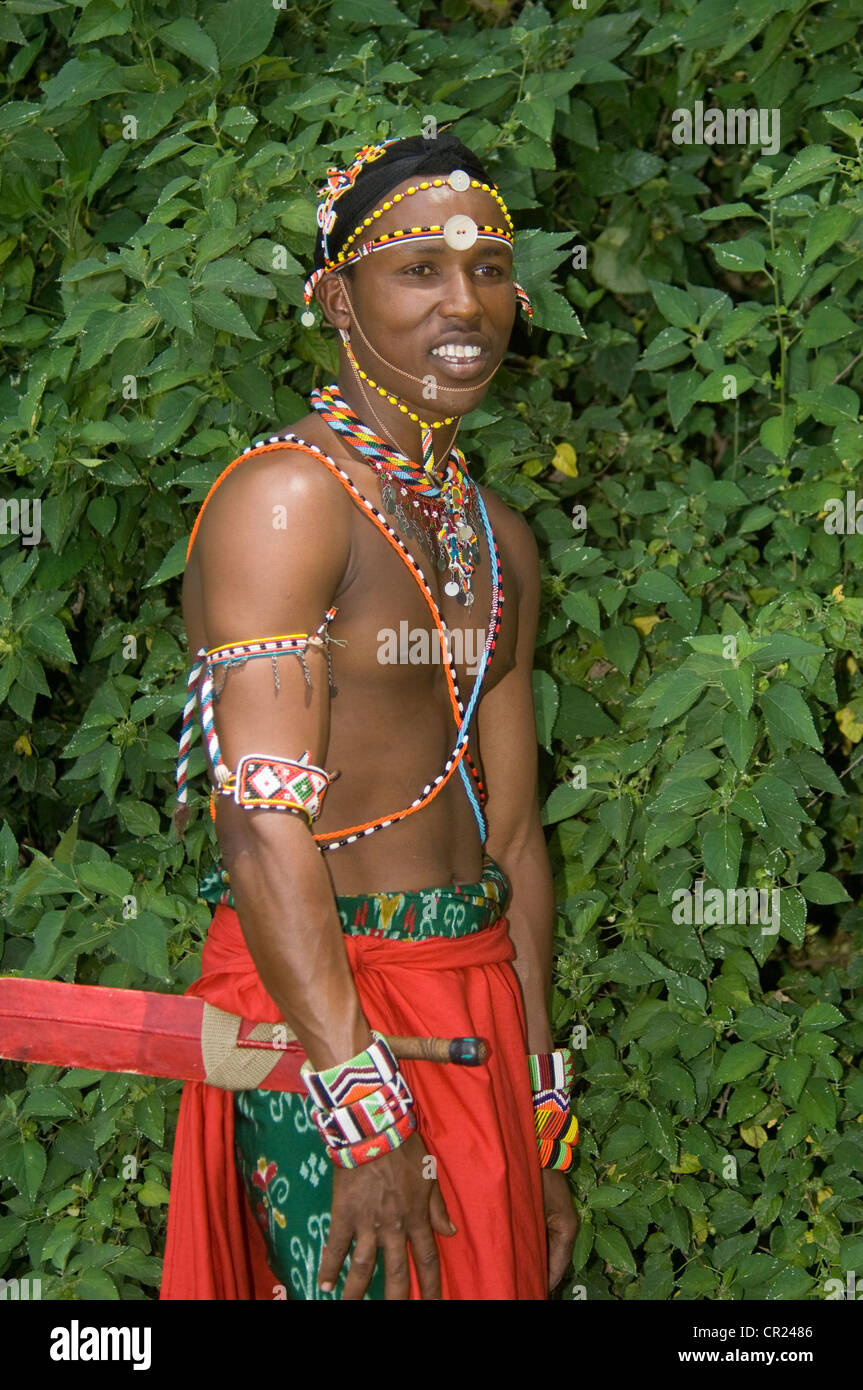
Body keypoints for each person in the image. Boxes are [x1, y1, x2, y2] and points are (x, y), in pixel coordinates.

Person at [161, 132, 579, 1302]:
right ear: (337, 299)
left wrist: (538, 1099)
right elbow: (257, 825)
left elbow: (508, 840)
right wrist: (356, 1100)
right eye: (418, 270)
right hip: (333, 1017)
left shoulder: (497, 538)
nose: (466, 302)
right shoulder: (288, 503)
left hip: (475, 1001)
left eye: (490, 267)